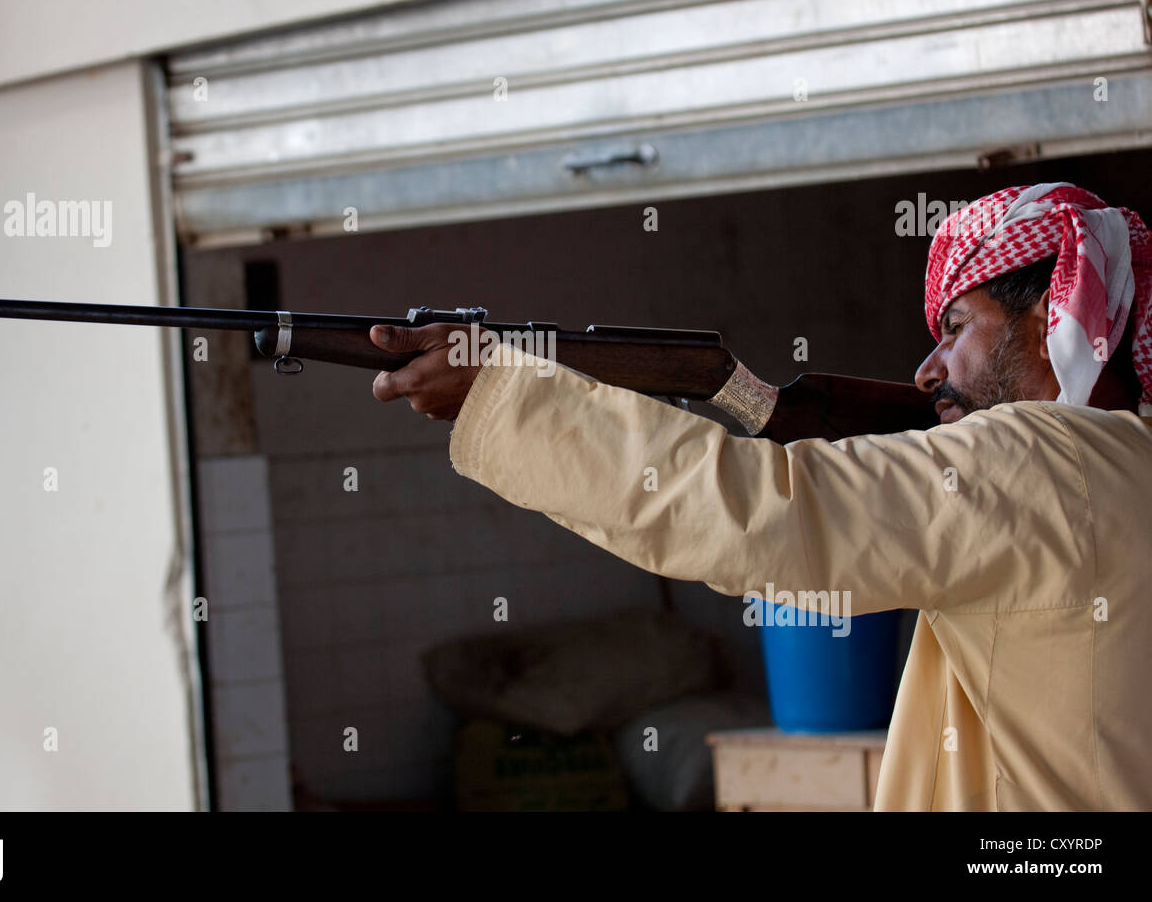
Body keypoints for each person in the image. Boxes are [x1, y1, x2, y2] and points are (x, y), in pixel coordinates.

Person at [368, 182, 1152, 811]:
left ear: (1057, 310)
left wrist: (505, 396)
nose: (928, 368)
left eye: (956, 325)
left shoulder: (1045, 459)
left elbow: (762, 513)